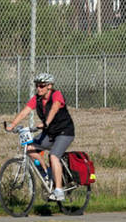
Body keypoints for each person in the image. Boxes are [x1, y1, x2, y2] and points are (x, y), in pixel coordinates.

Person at [5, 72, 76, 202]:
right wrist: (13, 124)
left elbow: (54, 108)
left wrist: (46, 123)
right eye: (37, 86)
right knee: (29, 147)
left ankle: (59, 191)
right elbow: (25, 111)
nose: (39, 88)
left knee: (54, 155)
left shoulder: (56, 94)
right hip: (49, 133)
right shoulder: (36, 99)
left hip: (64, 132)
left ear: (49, 86)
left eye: (42, 86)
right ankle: (46, 172)